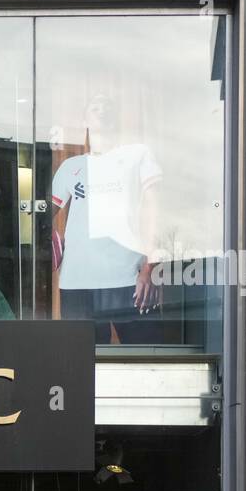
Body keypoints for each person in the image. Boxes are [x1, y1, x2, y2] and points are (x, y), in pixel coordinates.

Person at [51, 93, 165, 344]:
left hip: (128, 277)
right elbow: (44, 213)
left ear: (115, 118)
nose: (101, 110)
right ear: (85, 120)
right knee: (81, 363)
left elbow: (154, 209)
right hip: (77, 281)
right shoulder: (71, 166)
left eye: (107, 106)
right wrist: (53, 244)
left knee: (146, 356)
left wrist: (149, 268)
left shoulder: (138, 154)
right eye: (95, 106)